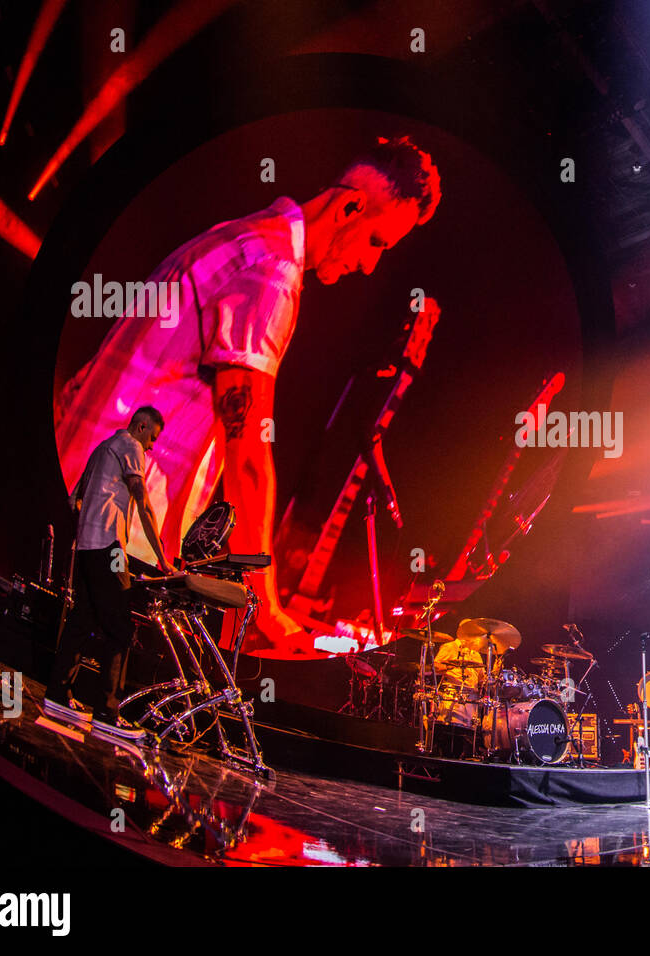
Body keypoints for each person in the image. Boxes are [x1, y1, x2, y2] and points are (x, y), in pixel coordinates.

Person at [55, 136, 442, 655]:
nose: (370, 266)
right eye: (376, 241)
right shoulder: (272, 271)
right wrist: (266, 608)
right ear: (350, 205)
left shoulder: (236, 237)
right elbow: (249, 456)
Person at [46, 407, 174, 730]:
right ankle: (107, 712)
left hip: (86, 546)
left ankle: (57, 695)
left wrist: (91, 518)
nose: (151, 448)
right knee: (120, 628)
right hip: (108, 548)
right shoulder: (130, 446)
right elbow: (143, 503)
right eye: (152, 439)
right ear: (141, 426)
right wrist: (162, 559)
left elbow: (72, 500)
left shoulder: (100, 449)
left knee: (80, 622)